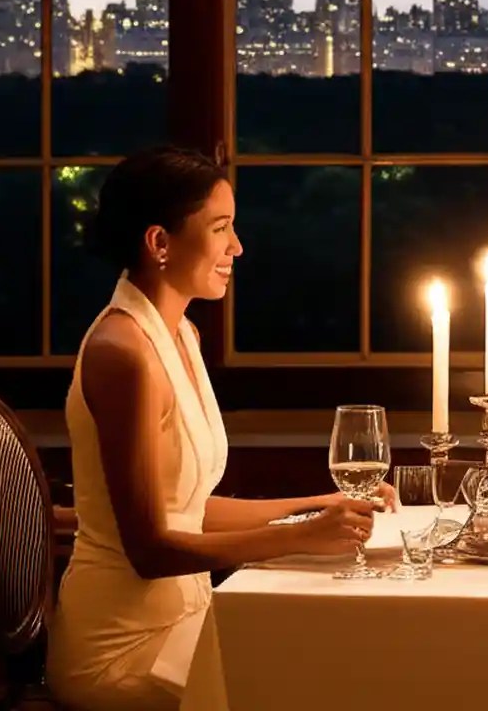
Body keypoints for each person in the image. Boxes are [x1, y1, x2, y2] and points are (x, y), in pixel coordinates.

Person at [45, 146, 394, 711]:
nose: (237, 246)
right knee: (313, 688)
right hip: (123, 648)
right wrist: (299, 537)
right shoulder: (122, 352)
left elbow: (189, 508)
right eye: (220, 228)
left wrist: (320, 502)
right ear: (159, 242)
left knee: (341, 663)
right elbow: (148, 550)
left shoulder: (181, 335)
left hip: (188, 619)